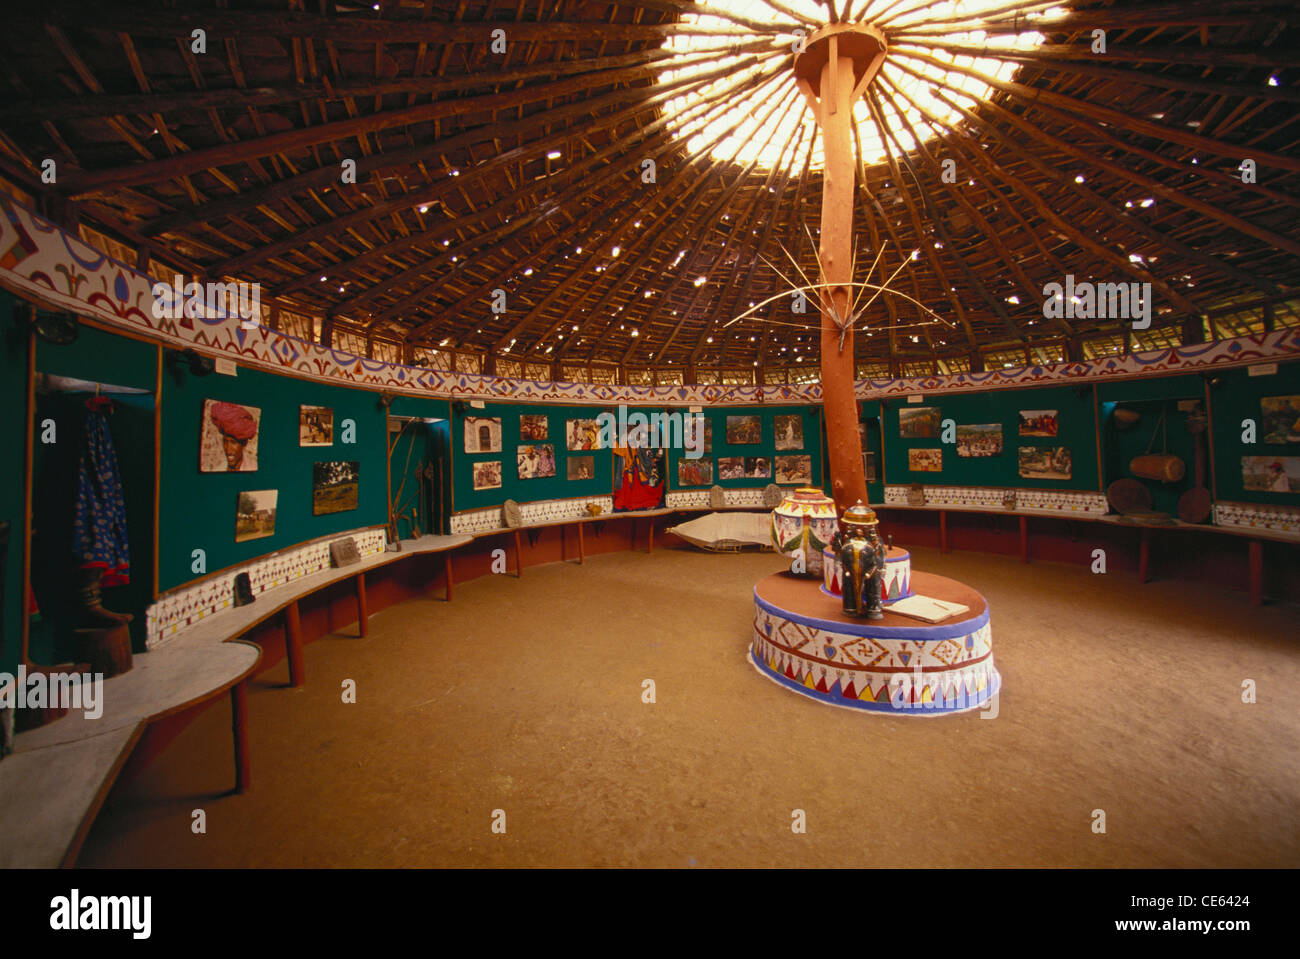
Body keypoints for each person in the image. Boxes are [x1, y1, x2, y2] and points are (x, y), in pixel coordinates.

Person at [209, 401, 257, 470]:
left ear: (244, 443)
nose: (228, 450)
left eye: (233, 442)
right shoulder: (218, 469)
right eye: (225, 441)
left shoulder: (252, 467)